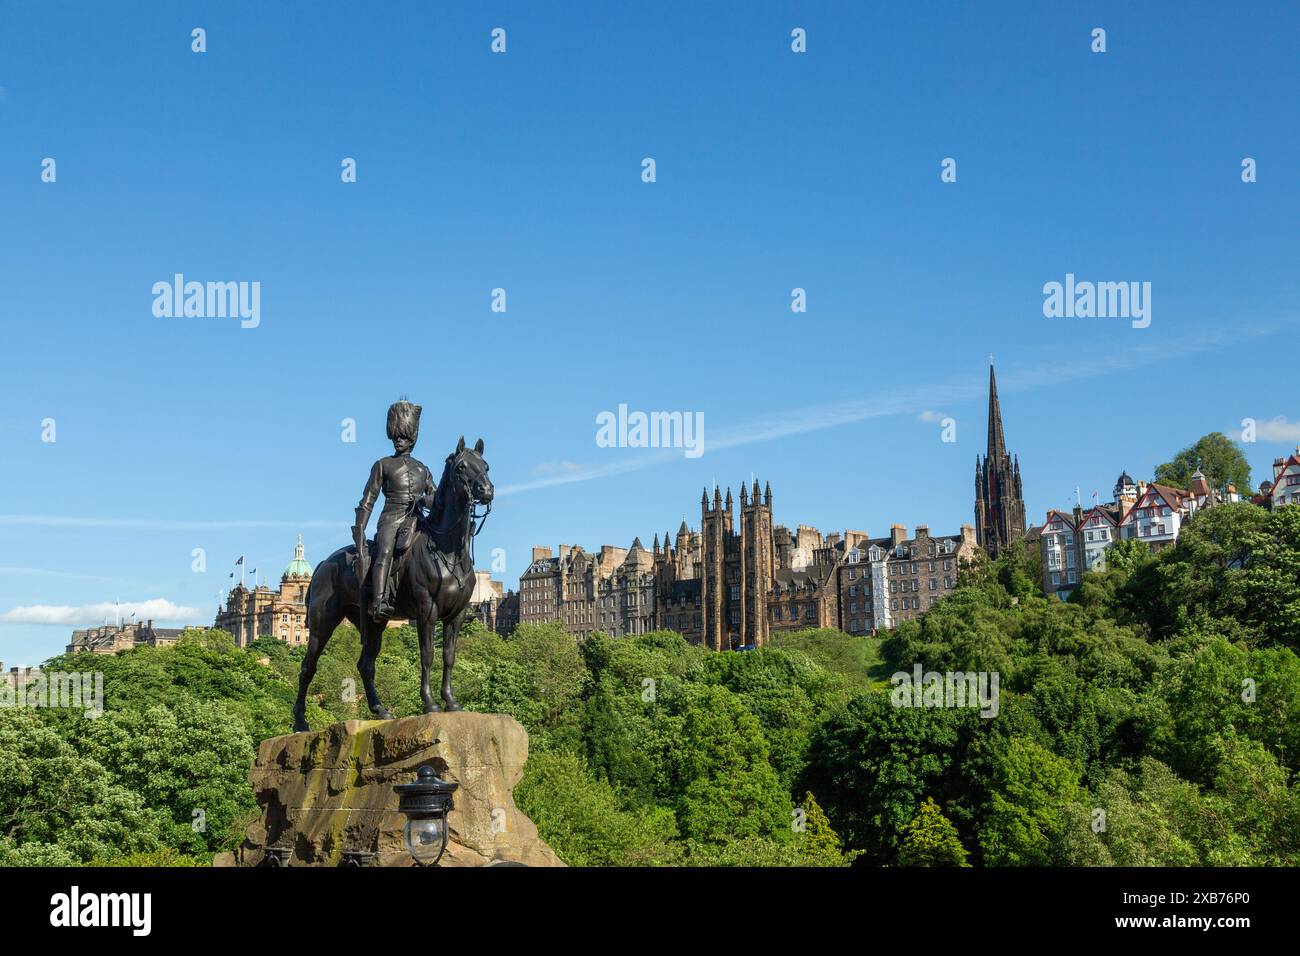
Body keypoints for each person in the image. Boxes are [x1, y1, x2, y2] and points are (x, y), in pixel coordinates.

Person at [354, 400, 435, 618]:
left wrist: (425, 501)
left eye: (404, 436)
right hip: (391, 517)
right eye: (396, 436)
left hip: (417, 521)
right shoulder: (383, 464)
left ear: (412, 438)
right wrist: (360, 531)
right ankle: (379, 602)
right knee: (385, 552)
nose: (399, 440)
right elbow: (367, 500)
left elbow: (435, 497)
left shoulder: (423, 469)